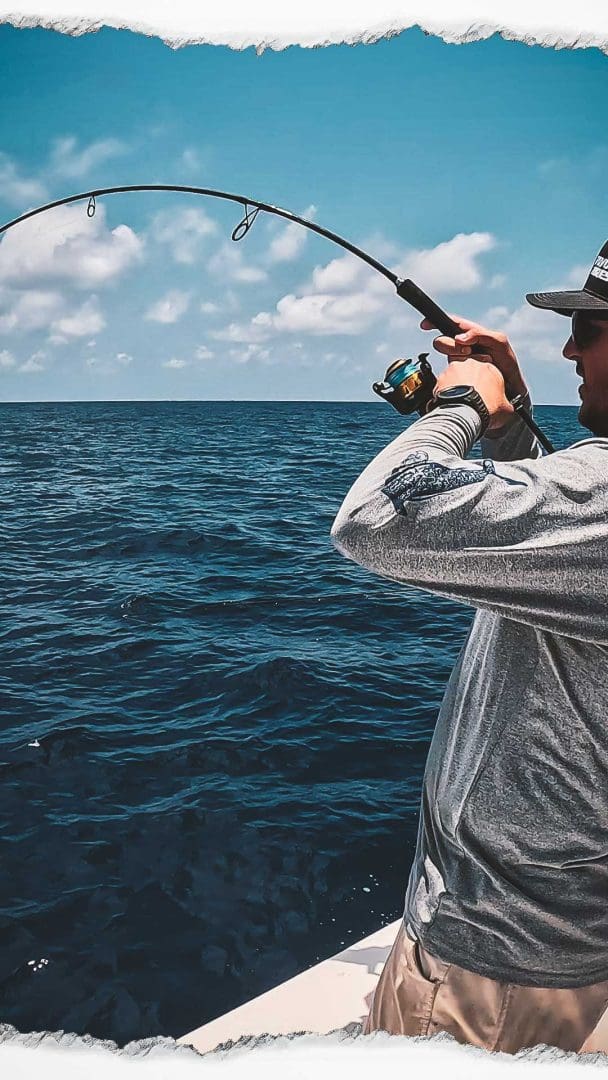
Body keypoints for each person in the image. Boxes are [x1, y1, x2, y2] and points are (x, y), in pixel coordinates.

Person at [330, 240, 608, 1055]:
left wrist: (457, 405)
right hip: (560, 948)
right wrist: (514, 416)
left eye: (590, 326)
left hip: (497, 975)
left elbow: (376, 522)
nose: (569, 351)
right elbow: (562, 542)